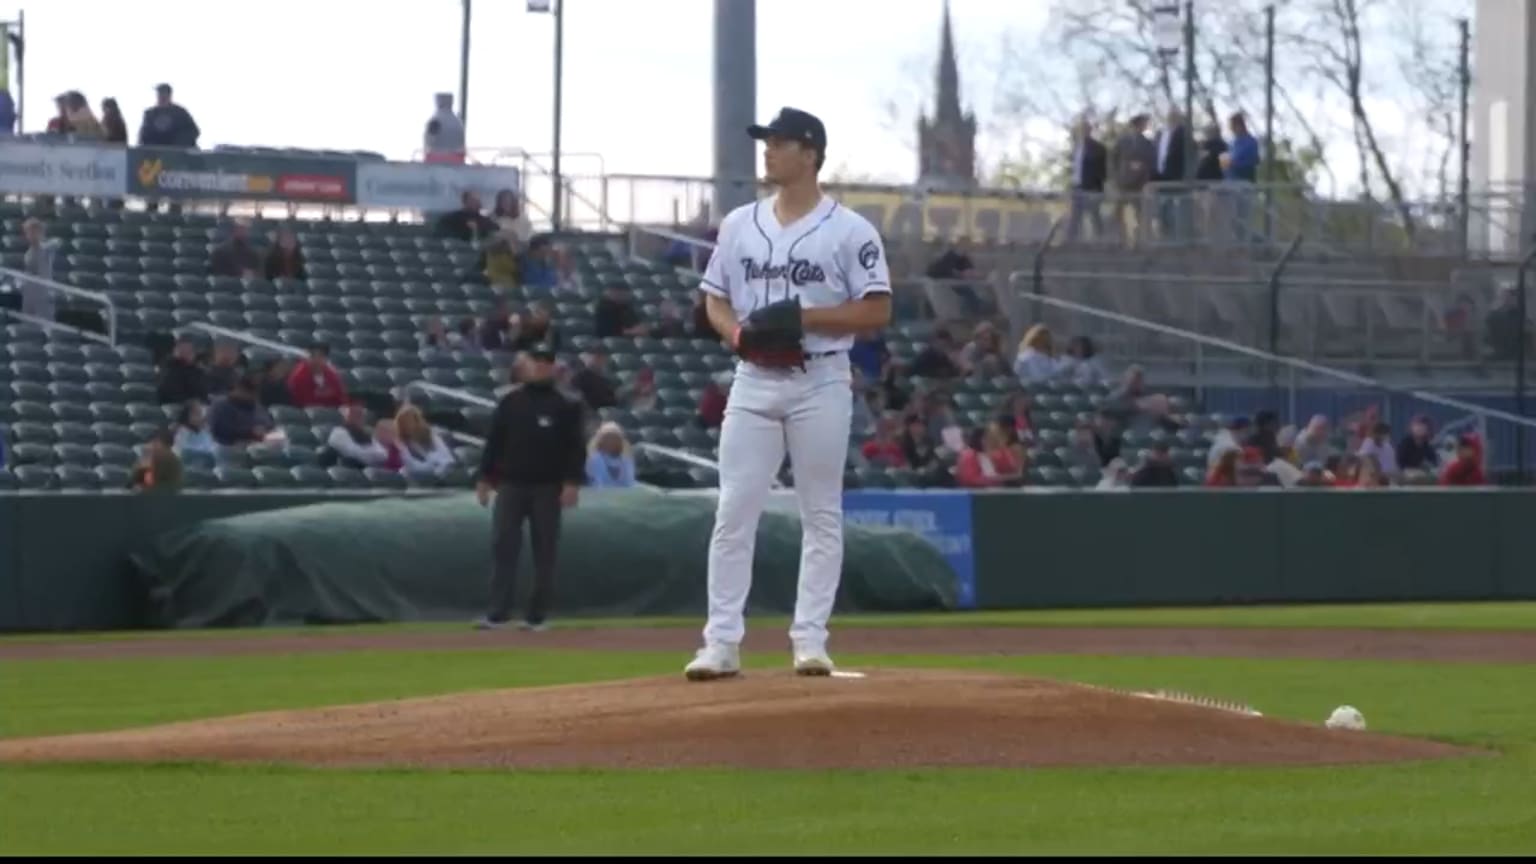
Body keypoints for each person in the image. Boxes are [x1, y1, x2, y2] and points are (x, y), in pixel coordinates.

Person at [685, 107, 892, 682]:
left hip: (821, 376)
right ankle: (720, 642)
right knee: (734, 509)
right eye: (767, 141)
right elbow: (715, 298)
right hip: (754, 376)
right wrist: (737, 334)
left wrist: (805, 317)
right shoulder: (739, 223)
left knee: (820, 512)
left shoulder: (850, 230)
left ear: (811, 154)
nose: (768, 150)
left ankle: (810, 641)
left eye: (779, 142)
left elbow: (877, 308)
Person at [475, 344, 586, 632]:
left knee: (545, 549)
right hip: (512, 483)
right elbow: (494, 442)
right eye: (535, 362)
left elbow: (575, 448)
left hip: (548, 486)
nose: (539, 367)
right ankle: (497, 612)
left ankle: (537, 615)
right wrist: (485, 479)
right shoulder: (510, 402)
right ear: (528, 366)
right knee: (503, 544)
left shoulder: (566, 405)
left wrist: (572, 482)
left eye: (545, 362)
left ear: (553, 367)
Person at [396, 405, 456, 477]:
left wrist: (438, 465)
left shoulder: (431, 435)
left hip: (439, 472)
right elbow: (412, 466)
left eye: (409, 421)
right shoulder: (401, 443)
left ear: (417, 421)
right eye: (403, 422)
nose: (406, 425)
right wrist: (433, 464)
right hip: (416, 475)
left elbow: (447, 458)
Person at [138, 83, 200, 148]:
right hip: (156, 151)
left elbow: (194, 131)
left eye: (164, 94)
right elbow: (143, 136)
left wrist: (179, 144)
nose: (162, 97)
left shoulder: (180, 113)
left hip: (178, 151)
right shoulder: (150, 114)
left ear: (169, 95)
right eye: (159, 94)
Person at [585, 422, 638, 488]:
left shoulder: (626, 461)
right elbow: (597, 485)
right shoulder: (594, 460)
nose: (611, 441)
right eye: (608, 438)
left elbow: (629, 484)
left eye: (615, 438)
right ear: (601, 441)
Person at [129, 429, 183, 494]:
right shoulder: (153, 456)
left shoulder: (167, 459)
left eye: (154, 442)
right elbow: (134, 479)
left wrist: (146, 458)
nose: (151, 445)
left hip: (161, 496)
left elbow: (144, 483)